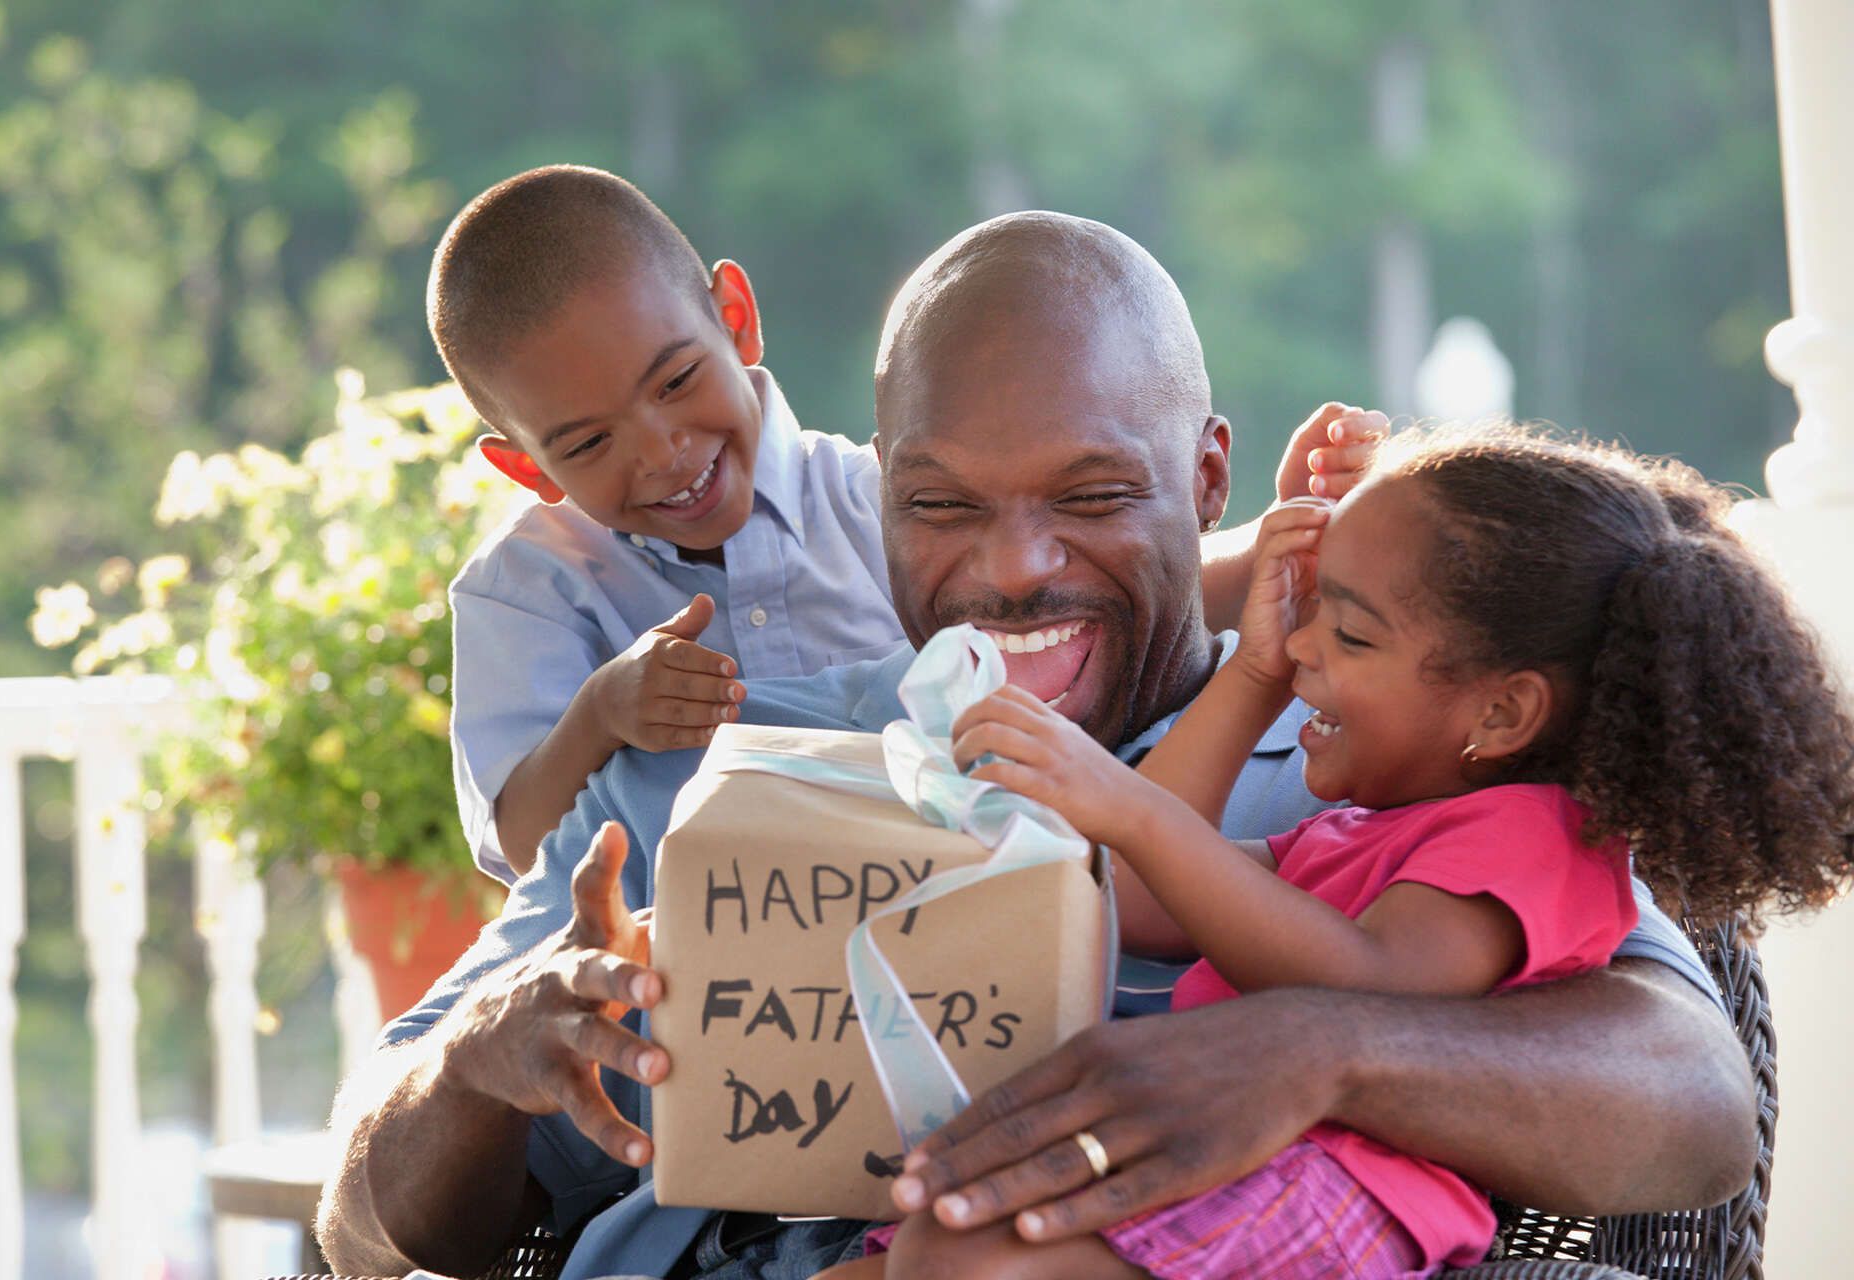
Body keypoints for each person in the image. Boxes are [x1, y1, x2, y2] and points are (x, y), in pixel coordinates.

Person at [316, 213, 1761, 1280]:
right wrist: (486, 1066)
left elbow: (1694, 1105)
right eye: (941, 507)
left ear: (1206, 481)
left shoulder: (1373, 773)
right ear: (880, 500)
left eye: (1089, 494)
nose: (1015, 569)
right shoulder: (709, 764)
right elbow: (364, 1220)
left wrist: (1319, 1049)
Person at [821, 426, 1854, 1279]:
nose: (1308, 642)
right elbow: (1145, 898)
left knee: (972, 1257)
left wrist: (1130, 809)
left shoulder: (1530, 840)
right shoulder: (1361, 829)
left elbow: (1368, 985)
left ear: (1500, 711)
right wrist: (1258, 674)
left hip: (1343, 1188)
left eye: (1349, 636)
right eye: (1310, 616)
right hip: (1251, 1163)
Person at [429, 165, 1381, 881]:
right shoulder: (535, 591)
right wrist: (601, 717)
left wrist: (1296, 535)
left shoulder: (865, 496)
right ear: (525, 468)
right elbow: (522, 853)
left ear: (737, 317)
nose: (663, 452)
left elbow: (1124, 591)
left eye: (677, 382)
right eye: (589, 442)